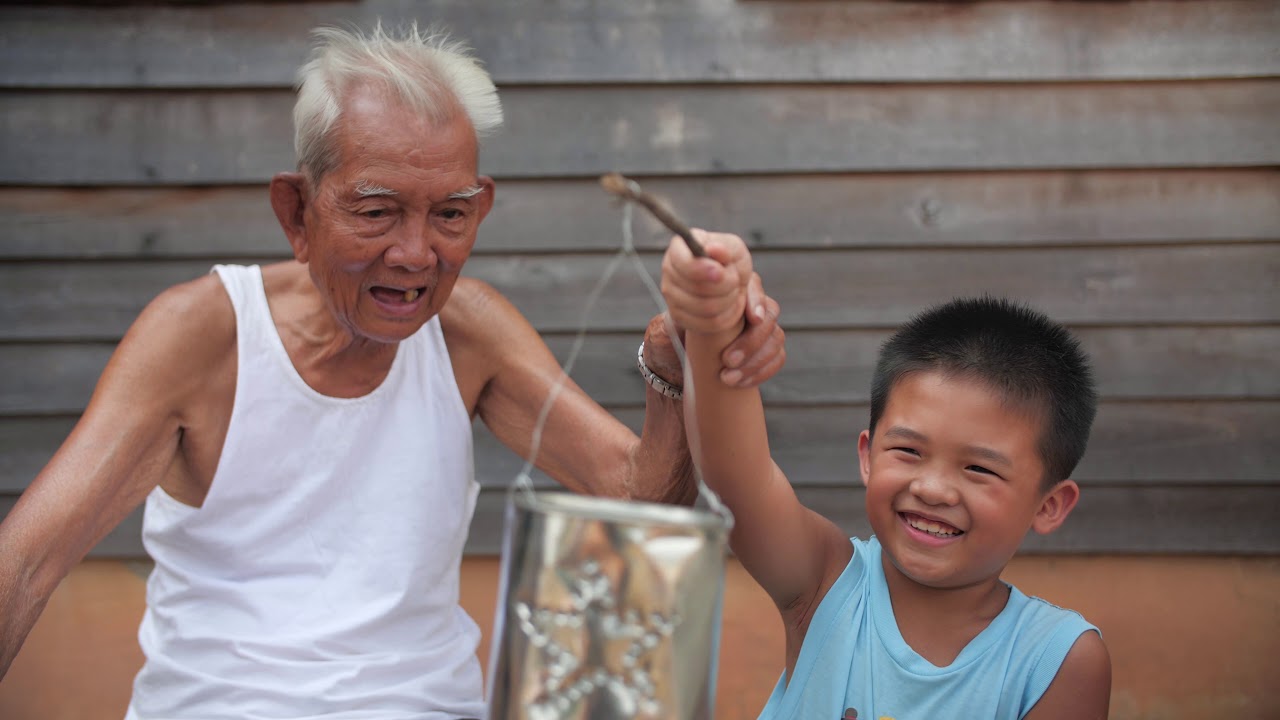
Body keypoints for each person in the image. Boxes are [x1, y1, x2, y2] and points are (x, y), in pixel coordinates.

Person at [0, 25, 787, 718]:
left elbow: (642, 503)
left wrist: (673, 364)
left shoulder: (467, 331)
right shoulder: (203, 335)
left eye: (449, 213)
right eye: (375, 211)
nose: (415, 254)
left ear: (480, 208)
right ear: (296, 213)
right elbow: (27, 563)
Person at [661, 230, 1111, 719]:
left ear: (1049, 505)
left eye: (979, 468)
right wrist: (716, 318)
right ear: (868, 456)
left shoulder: (1059, 660)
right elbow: (734, 476)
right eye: (909, 451)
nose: (932, 488)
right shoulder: (824, 583)